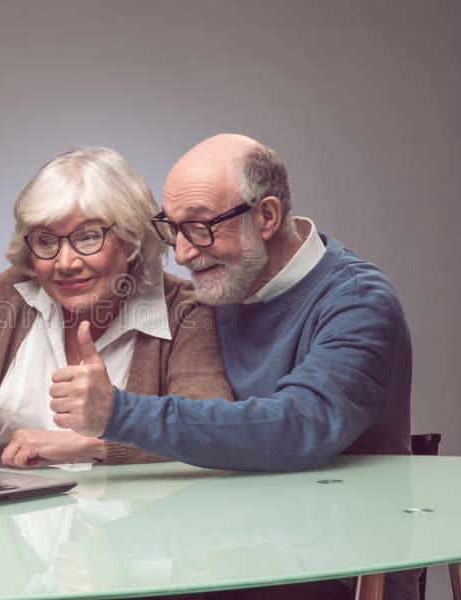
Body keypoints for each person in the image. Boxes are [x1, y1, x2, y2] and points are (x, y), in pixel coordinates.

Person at [49, 134, 415, 599]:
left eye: (200, 227)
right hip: (228, 553)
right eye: (172, 229)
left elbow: (297, 428)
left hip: (341, 570)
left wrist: (117, 415)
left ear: (266, 217)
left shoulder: (358, 301)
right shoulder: (217, 289)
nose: (182, 253)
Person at [0, 146, 234, 469]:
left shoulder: (184, 310)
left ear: (131, 237)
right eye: (46, 241)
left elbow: (212, 431)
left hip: (122, 518)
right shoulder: (12, 293)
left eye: (89, 237)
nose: (65, 263)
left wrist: (91, 444)